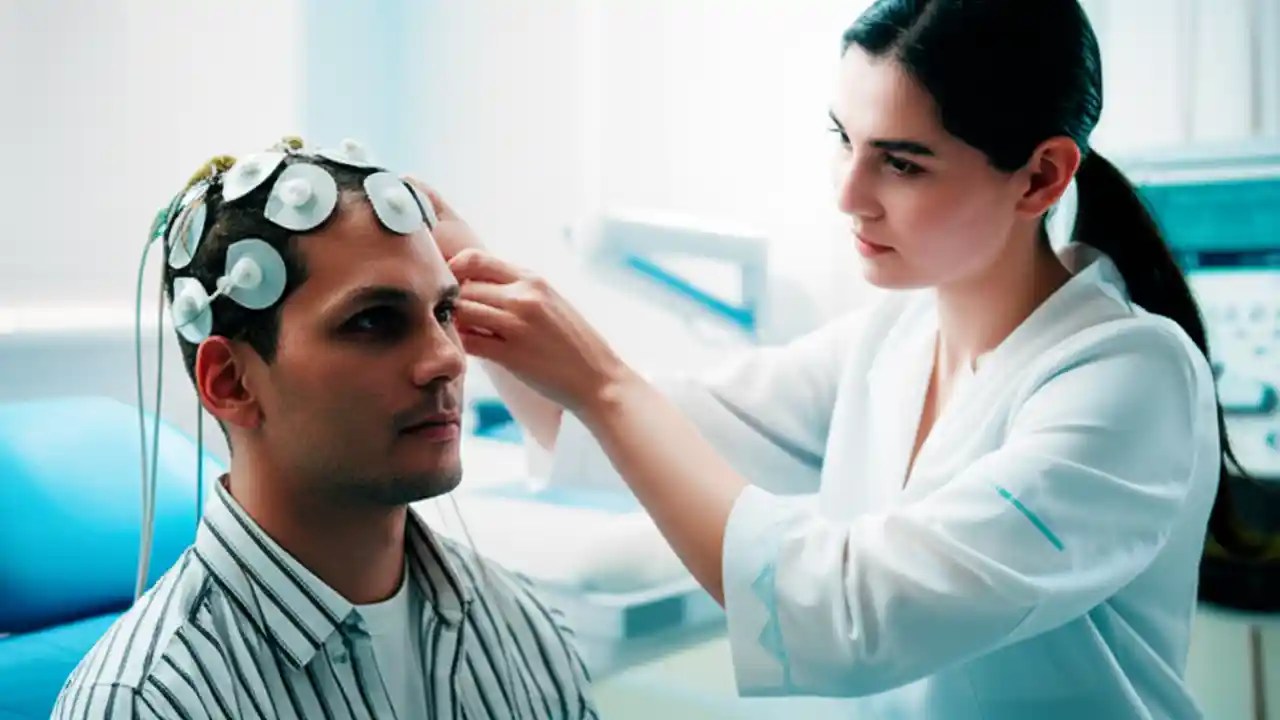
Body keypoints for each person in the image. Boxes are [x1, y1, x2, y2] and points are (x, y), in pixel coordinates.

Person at [431, 1, 1261, 717]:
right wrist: (464, 271)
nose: (848, 194)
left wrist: (604, 384)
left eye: (901, 162)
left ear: (1040, 177)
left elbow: (852, 610)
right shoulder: (890, 341)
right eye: (845, 139)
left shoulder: (1130, 378)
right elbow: (638, 437)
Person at [54, 140, 597, 720]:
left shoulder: (526, 632)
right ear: (231, 381)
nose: (449, 359)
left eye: (443, 313)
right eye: (373, 321)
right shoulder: (150, 703)